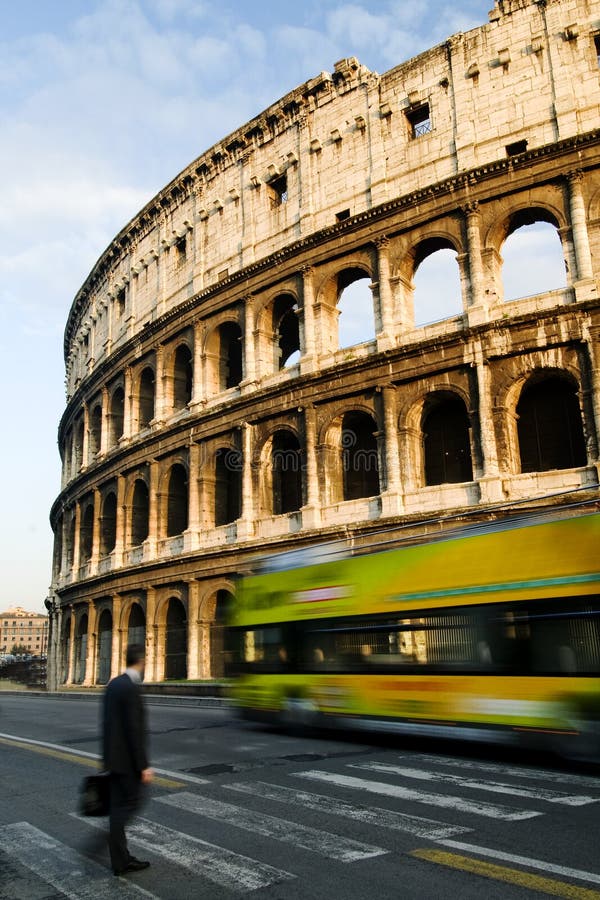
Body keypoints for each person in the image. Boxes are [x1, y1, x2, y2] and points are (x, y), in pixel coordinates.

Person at [102, 643, 154, 876]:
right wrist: (143, 765)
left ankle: (120, 860)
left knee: (117, 808)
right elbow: (134, 730)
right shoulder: (131, 689)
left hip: (113, 760)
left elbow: (107, 724)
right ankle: (109, 847)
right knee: (130, 805)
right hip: (127, 762)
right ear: (141, 661)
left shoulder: (114, 684)